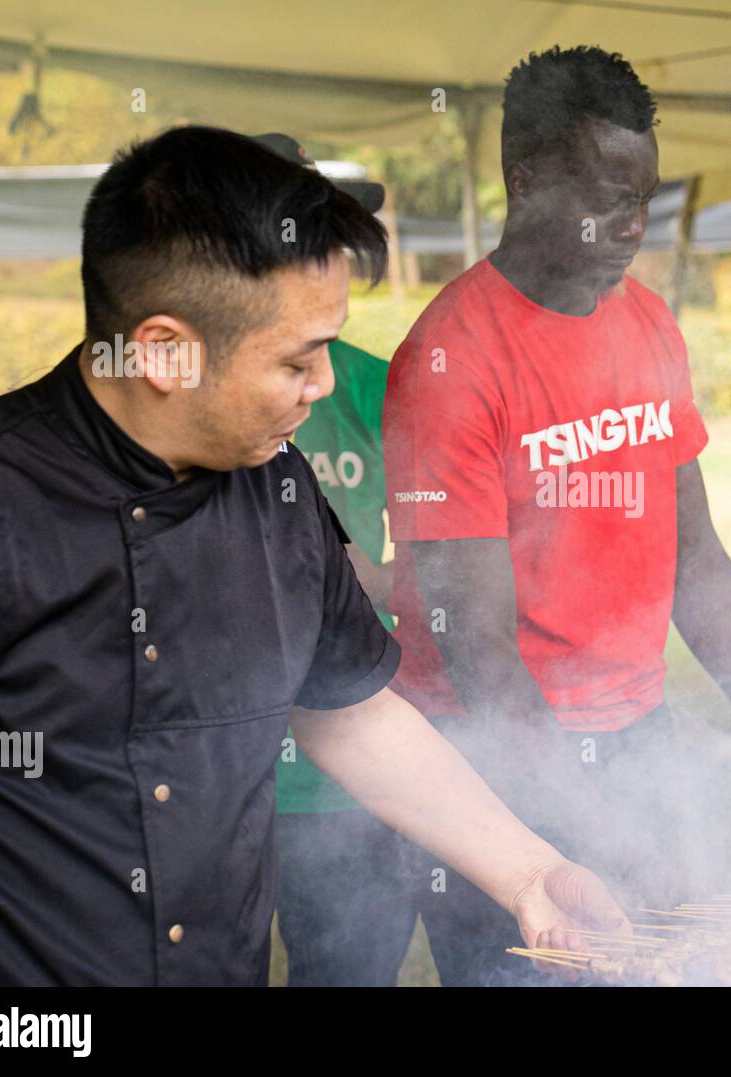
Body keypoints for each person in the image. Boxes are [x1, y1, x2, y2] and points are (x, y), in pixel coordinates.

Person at [0, 125, 625, 986]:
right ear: (160, 350)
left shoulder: (279, 484)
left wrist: (531, 873)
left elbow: (349, 710)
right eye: (298, 361)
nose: (328, 385)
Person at [382, 45, 731, 986]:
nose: (630, 227)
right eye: (607, 198)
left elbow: (698, 563)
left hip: (636, 726)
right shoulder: (447, 362)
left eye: (645, 200)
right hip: (491, 760)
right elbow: (477, 649)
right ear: (523, 179)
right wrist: (603, 834)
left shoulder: (649, 321)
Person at [248, 133, 418, 987]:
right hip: (228, 784)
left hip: (348, 766)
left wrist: (360, 588)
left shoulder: (372, 386)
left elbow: (428, 559)